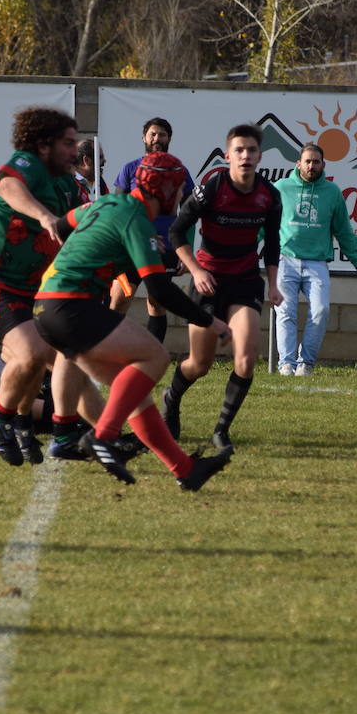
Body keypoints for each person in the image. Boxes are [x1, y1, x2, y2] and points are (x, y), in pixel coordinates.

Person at [34, 151, 235, 490]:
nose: (183, 194)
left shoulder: (105, 204)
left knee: (135, 394)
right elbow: (159, 288)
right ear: (166, 190)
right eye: (180, 187)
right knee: (155, 356)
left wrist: (93, 261)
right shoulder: (136, 217)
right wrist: (209, 321)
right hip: (70, 306)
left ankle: (185, 469)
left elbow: (62, 225)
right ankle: (103, 437)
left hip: (48, 305)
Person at [0, 106, 86, 465]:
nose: (76, 151)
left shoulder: (70, 185)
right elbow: (9, 185)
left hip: (28, 288)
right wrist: (44, 216)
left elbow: (83, 226)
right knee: (29, 353)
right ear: (44, 145)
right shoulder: (26, 164)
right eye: (69, 143)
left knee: (56, 356)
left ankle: (27, 422)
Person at [163, 123, 284, 453]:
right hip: (209, 281)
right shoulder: (213, 186)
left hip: (245, 281)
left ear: (260, 156)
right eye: (240, 151)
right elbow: (176, 232)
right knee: (198, 366)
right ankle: (171, 401)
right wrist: (197, 270)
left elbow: (272, 244)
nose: (246, 156)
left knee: (245, 360)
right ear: (228, 155)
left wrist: (273, 285)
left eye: (252, 151)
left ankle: (221, 430)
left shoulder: (269, 195)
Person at [274, 143, 357, 376]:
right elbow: (266, 223)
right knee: (285, 312)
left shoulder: (332, 192)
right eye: (307, 161)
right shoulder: (281, 188)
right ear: (298, 164)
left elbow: (343, 230)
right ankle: (286, 364)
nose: (311, 166)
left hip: (317, 262)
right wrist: (249, 247)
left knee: (320, 311)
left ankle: (305, 364)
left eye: (316, 162)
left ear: (323, 165)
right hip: (286, 260)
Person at [110, 118, 194, 343]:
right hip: (130, 247)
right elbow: (117, 209)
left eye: (162, 135)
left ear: (169, 139)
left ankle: (152, 358)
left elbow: (190, 214)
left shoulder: (179, 171)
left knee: (157, 302)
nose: (157, 139)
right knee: (119, 299)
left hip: (163, 247)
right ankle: (107, 357)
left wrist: (186, 251)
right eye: (153, 134)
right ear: (144, 138)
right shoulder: (129, 168)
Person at [74, 137, 108, 202]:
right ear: (86, 160)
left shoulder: (100, 182)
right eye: (100, 157)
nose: (104, 161)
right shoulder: (71, 183)